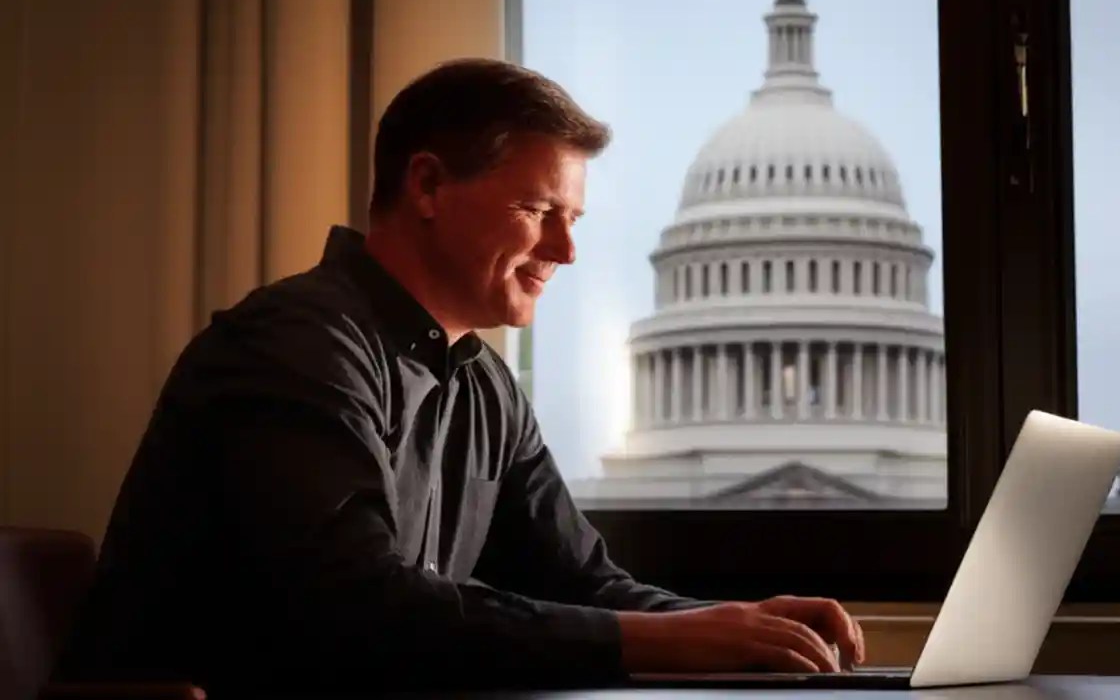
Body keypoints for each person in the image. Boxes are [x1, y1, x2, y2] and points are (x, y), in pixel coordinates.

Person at [56, 57, 865, 692]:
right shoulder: (293, 343)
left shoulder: (483, 384)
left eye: (573, 219)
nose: (565, 251)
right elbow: (352, 607)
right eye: (536, 211)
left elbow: (583, 583)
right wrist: (678, 638)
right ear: (429, 185)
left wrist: (737, 624)